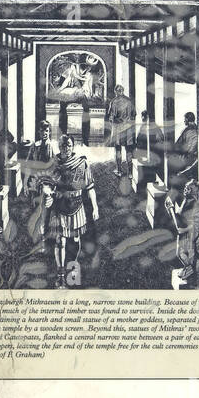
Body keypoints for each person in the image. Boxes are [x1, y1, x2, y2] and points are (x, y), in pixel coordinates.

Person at [42, 134, 99, 288]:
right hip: (59, 206)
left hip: (77, 206)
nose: (65, 148)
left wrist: (95, 206)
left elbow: (90, 187)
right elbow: (46, 184)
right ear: (58, 147)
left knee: (74, 241)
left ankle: (72, 269)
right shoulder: (53, 164)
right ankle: (60, 275)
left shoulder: (82, 164)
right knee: (60, 241)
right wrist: (48, 194)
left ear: (73, 146)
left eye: (68, 145)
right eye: (62, 145)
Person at [166, 179, 199, 286]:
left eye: (188, 189)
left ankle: (190, 270)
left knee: (184, 253)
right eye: (185, 188)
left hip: (190, 232)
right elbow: (179, 214)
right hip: (183, 230)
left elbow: (197, 222)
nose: (185, 190)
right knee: (180, 253)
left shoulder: (195, 204)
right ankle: (188, 268)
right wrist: (171, 209)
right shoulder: (186, 200)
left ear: (193, 191)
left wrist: (185, 229)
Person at [105, 84, 136, 176]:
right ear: (122, 91)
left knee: (118, 149)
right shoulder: (129, 101)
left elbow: (111, 117)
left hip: (118, 129)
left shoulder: (113, 102)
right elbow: (134, 115)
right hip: (128, 129)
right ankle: (130, 173)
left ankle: (119, 170)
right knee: (129, 150)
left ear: (116, 92)